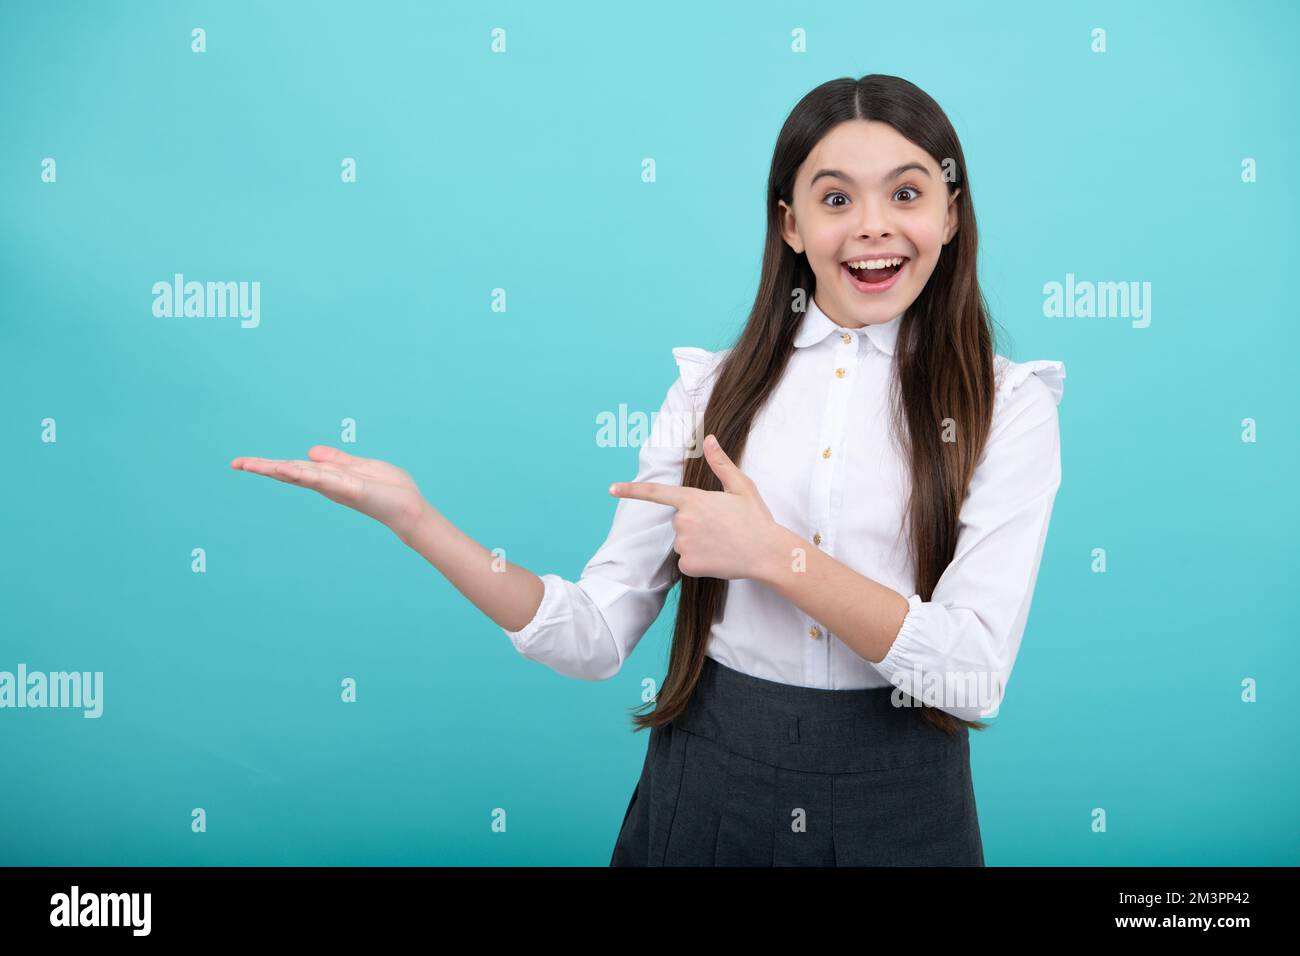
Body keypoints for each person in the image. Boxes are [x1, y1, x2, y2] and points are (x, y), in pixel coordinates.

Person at [231, 74, 1065, 867]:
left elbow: (969, 677)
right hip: (706, 793)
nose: (874, 224)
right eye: (836, 197)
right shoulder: (709, 390)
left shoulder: (1010, 406)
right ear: (790, 224)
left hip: (903, 807)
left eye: (908, 193)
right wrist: (419, 521)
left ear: (952, 216)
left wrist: (775, 555)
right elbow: (592, 638)